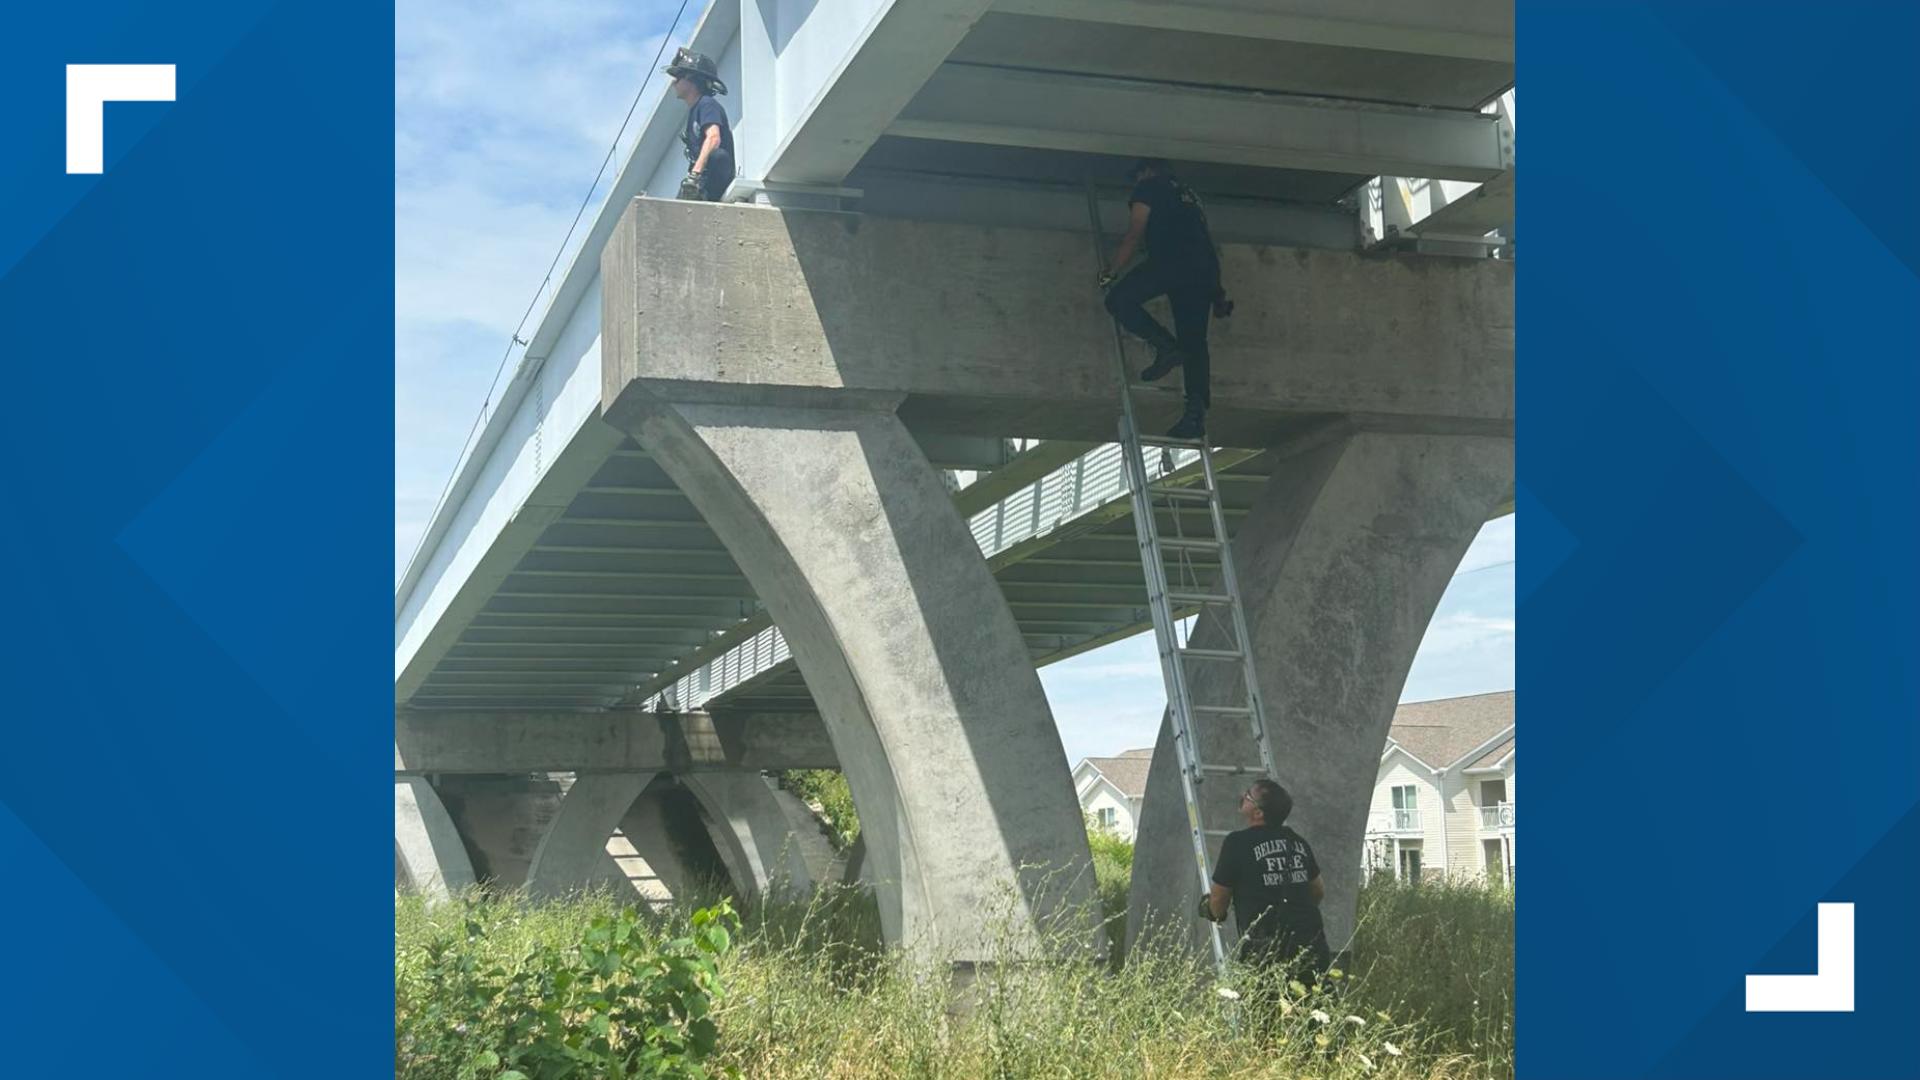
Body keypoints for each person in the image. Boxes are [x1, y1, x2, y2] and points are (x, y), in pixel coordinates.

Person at [1099, 158, 1229, 440]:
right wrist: (1217, 291)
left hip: (1171, 262)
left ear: (1145, 171)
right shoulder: (1190, 195)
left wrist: (1109, 274)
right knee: (1194, 342)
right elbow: (1204, 240)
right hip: (1205, 271)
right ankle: (1195, 415)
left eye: (1136, 176)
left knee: (1119, 301)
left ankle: (1166, 347)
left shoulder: (1147, 188)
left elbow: (1134, 235)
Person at [1201, 778, 1332, 989]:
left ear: (1258, 813)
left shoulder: (1237, 843)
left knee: (1266, 1012)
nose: (1243, 797)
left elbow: (1218, 897)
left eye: (1248, 796)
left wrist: (1212, 911)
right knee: (1311, 1008)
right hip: (1310, 941)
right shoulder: (1297, 841)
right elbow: (1317, 890)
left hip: (1264, 947)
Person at [662, 47, 734, 202]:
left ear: (692, 79)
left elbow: (714, 138)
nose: (674, 83)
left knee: (716, 156)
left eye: (678, 77)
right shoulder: (694, 111)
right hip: (705, 181)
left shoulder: (707, 104)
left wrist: (695, 175)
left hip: (715, 178)